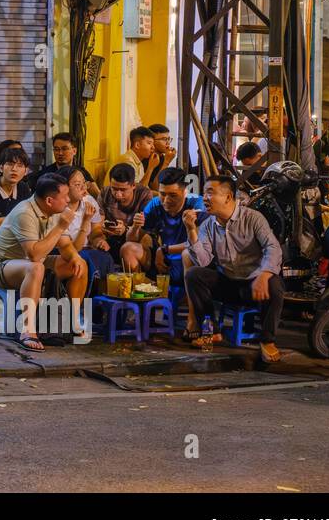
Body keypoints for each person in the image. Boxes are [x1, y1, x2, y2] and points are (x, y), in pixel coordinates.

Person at [182, 175, 284, 362]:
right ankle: (211, 331)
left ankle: (267, 341)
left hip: (255, 287)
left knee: (275, 283)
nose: (205, 198)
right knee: (194, 275)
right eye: (204, 193)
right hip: (229, 283)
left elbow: (273, 248)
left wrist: (263, 275)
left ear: (228, 197)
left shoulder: (253, 218)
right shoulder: (208, 225)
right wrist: (191, 230)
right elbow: (203, 261)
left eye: (210, 193)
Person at [0, 174, 90, 350]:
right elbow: (34, 254)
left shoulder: (55, 211)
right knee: (36, 268)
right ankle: (27, 330)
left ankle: (73, 321)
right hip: (2, 265)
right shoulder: (25, 212)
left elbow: (65, 246)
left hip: (32, 262)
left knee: (79, 264)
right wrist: (61, 226)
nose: (68, 200)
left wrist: (75, 257)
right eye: (64, 196)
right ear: (49, 200)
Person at [141, 168, 206, 301]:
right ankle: (142, 302)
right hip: (163, 262)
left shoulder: (197, 205)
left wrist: (164, 249)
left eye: (173, 195)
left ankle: (192, 309)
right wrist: (135, 228)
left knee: (189, 255)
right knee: (130, 248)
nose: (166, 200)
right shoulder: (154, 204)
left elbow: (197, 244)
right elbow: (134, 238)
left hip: (187, 261)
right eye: (162, 194)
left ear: (184, 192)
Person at [61, 167, 110, 290]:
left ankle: (100, 301)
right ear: (63, 188)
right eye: (78, 185)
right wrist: (85, 221)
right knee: (83, 258)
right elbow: (73, 248)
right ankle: (81, 303)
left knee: (106, 257)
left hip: (87, 248)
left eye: (84, 183)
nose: (84, 188)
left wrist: (99, 240)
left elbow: (96, 230)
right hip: (67, 251)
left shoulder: (88, 201)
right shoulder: (59, 208)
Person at [97, 162, 152, 273]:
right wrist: (102, 231)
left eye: (123, 190)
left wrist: (125, 230)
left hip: (136, 239)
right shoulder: (105, 193)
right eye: (114, 189)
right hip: (111, 239)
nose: (118, 194)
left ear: (133, 186)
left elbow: (145, 229)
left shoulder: (144, 195)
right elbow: (98, 223)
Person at [118, 126, 161, 190]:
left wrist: (162, 195)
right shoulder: (127, 161)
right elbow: (137, 192)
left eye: (153, 144)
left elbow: (146, 190)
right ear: (137, 145)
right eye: (149, 143)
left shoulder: (138, 162)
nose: (153, 147)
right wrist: (150, 168)